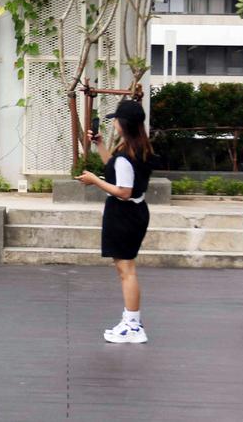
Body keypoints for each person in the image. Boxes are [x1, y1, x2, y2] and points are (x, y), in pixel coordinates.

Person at [78, 99, 154, 344]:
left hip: (124, 214)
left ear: (124, 124)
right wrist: (100, 145)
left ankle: (133, 326)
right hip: (135, 212)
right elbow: (117, 170)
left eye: (117, 120)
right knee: (126, 269)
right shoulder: (140, 148)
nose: (115, 124)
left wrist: (94, 181)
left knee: (126, 270)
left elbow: (123, 191)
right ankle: (131, 321)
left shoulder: (126, 155)